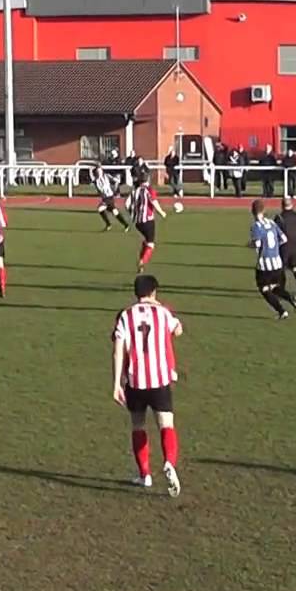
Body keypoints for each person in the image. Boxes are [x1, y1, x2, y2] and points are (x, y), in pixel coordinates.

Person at [111, 274, 184, 497]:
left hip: (135, 380)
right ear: (154, 292)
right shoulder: (162, 313)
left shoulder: (125, 315)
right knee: (166, 424)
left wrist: (116, 384)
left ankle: (145, 475)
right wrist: (161, 307)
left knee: (138, 425)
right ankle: (169, 463)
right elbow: (178, 330)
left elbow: (117, 350)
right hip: (159, 379)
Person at [249, 200, 296, 319]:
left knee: (264, 289)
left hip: (264, 264)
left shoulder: (256, 226)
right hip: (277, 263)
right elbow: (283, 239)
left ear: (252, 211)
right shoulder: (272, 223)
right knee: (274, 287)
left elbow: (257, 244)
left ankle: (282, 311)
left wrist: (250, 244)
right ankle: (291, 298)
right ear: (264, 210)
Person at [129, 171, 168, 273]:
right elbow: (154, 202)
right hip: (148, 221)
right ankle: (142, 261)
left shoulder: (135, 190)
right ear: (148, 179)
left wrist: (132, 215)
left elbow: (127, 204)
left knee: (146, 241)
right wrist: (162, 212)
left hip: (138, 222)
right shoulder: (149, 190)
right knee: (151, 244)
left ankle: (141, 259)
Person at [274, 198, 296, 301]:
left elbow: (275, 233)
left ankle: (281, 290)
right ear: (292, 205)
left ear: (282, 205)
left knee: (281, 268)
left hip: (284, 246)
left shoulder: (279, 217)